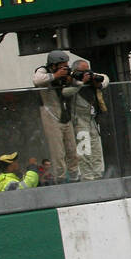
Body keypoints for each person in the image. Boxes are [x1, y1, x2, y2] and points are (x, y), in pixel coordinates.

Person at [32, 50, 82, 183]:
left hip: (65, 115)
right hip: (51, 116)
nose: (65, 68)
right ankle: (59, 178)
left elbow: (79, 82)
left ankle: (74, 176)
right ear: (53, 65)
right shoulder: (43, 71)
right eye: (62, 65)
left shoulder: (66, 73)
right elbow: (36, 80)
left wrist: (72, 79)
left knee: (72, 150)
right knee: (58, 152)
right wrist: (55, 76)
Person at [70, 58, 110, 180]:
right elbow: (67, 91)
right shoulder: (71, 80)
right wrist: (81, 81)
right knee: (84, 150)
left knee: (96, 148)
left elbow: (105, 78)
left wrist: (96, 81)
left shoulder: (92, 78)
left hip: (91, 119)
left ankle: (97, 175)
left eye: (88, 70)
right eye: (83, 71)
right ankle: (87, 177)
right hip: (79, 120)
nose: (87, 73)